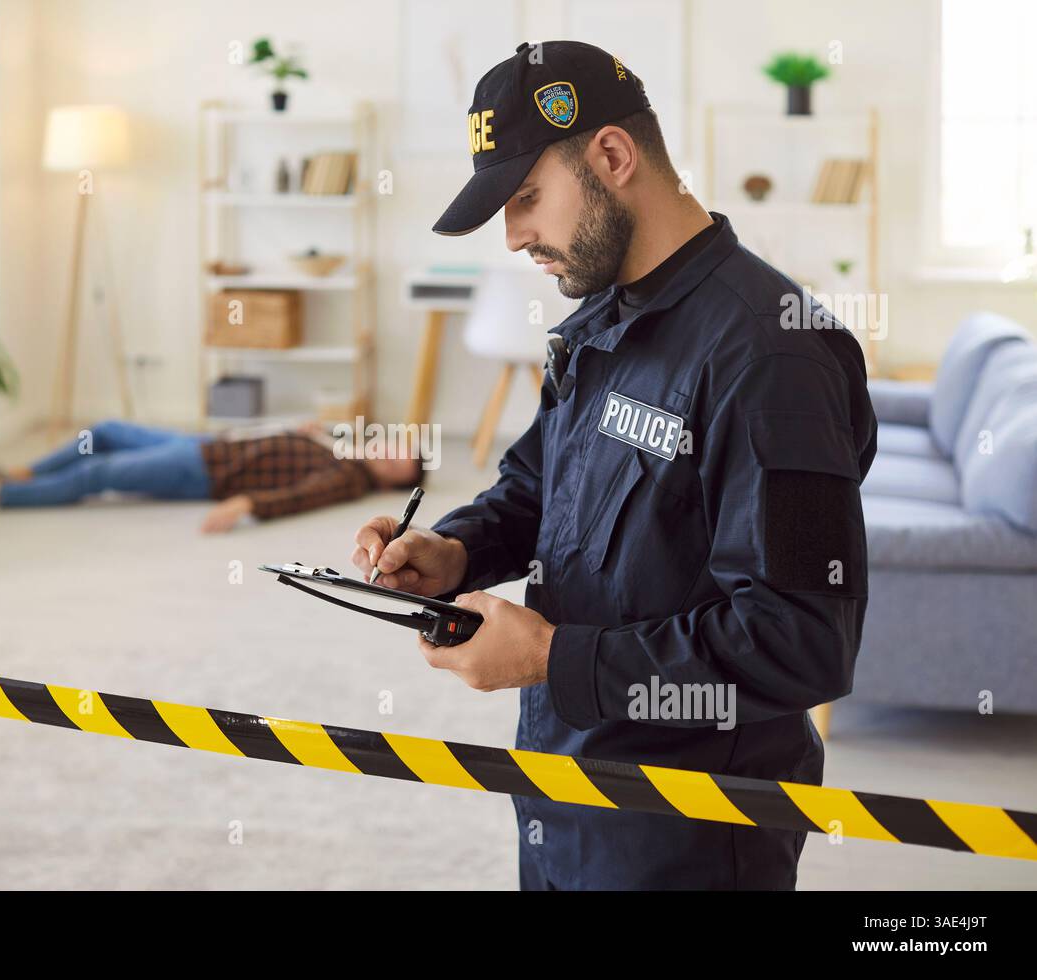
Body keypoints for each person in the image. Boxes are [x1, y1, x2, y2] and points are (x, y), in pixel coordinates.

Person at [352, 40, 877, 890]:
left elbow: (803, 642)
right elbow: (537, 485)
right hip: (562, 787)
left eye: (527, 198)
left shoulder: (775, 352)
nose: (516, 235)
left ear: (612, 155)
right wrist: (454, 552)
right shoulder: (603, 312)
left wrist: (550, 659)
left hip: (691, 824)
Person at [0, 419, 422, 533]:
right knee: (103, 431)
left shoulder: (347, 479)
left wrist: (246, 505)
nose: (390, 449)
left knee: (97, 473)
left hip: (203, 471)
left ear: (393, 479)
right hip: (203, 445)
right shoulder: (342, 448)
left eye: (400, 458)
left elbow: (302, 496)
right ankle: (18, 472)